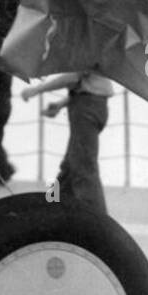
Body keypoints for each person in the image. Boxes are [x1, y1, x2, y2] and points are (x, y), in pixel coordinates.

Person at [22, 72, 113, 216]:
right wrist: (61, 104)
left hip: (87, 108)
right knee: (70, 166)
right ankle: (50, 210)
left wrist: (37, 89)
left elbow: (72, 77)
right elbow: (85, 82)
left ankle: (97, 220)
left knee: (83, 168)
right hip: (91, 104)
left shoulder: (83, 48)